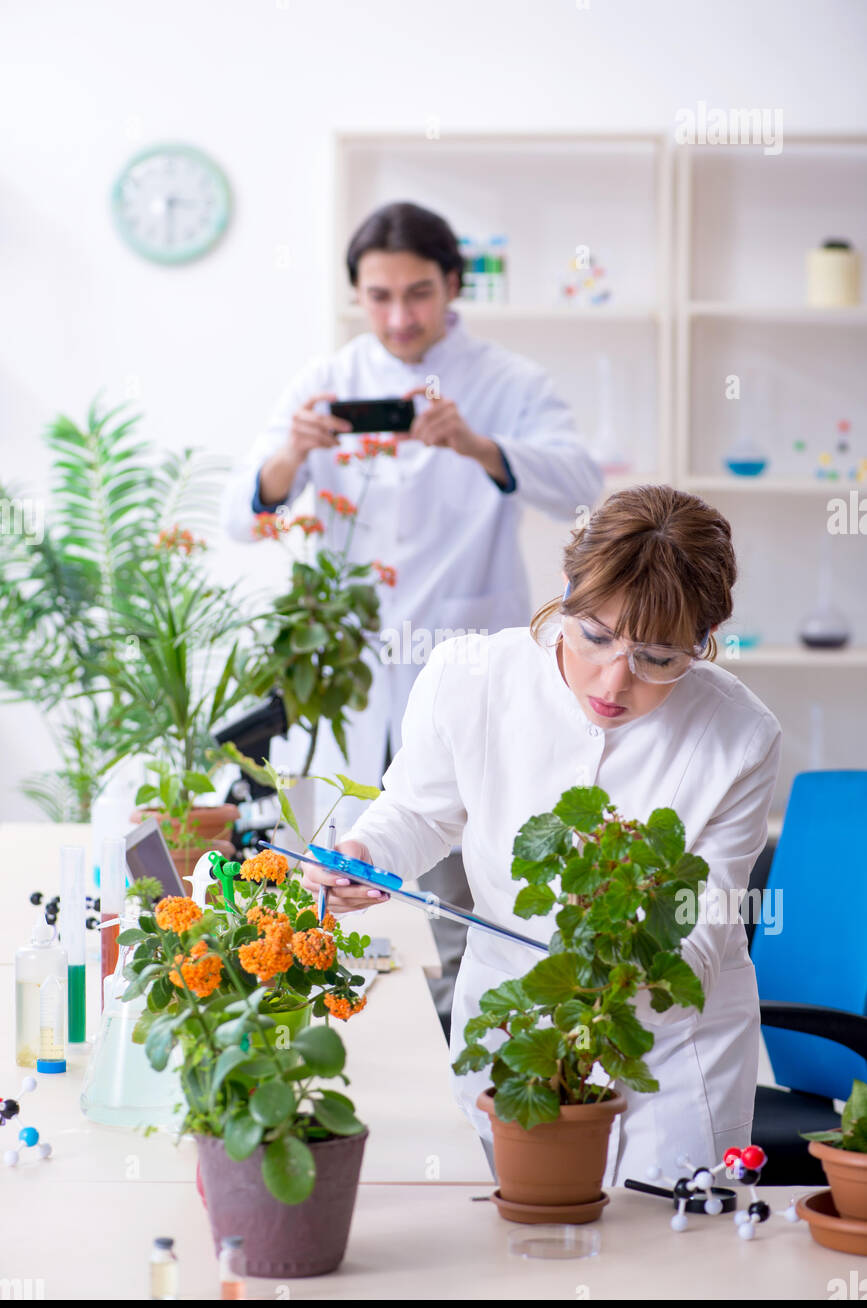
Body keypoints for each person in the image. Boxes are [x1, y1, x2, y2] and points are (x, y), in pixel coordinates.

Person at [299, 485, 783, 1187]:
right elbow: (417, 812)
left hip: (671, 1054)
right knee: (515, 1252)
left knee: (663, 1260)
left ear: (703, 642)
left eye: (658, 659)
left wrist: (607, 970)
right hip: (513, 1029)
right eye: (594, 637)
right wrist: (366, 857)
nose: (615, 681)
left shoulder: (738, 734)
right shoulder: (470, 678)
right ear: (565, 594)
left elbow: (703, 918)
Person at [222, 201, 602, 1023]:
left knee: (468, 879)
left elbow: (583, 490)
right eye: (380, 295)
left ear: (455, 284)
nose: (400, 316)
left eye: (419, 294)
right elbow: (237, 516)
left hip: (468, 656)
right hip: (353, 674)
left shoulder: (508, 382)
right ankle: (367, 1060)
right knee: (348, 874)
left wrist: (476, 445)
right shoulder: (326, 381)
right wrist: (292, 454)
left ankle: (471, 1059)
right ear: (356, 292)